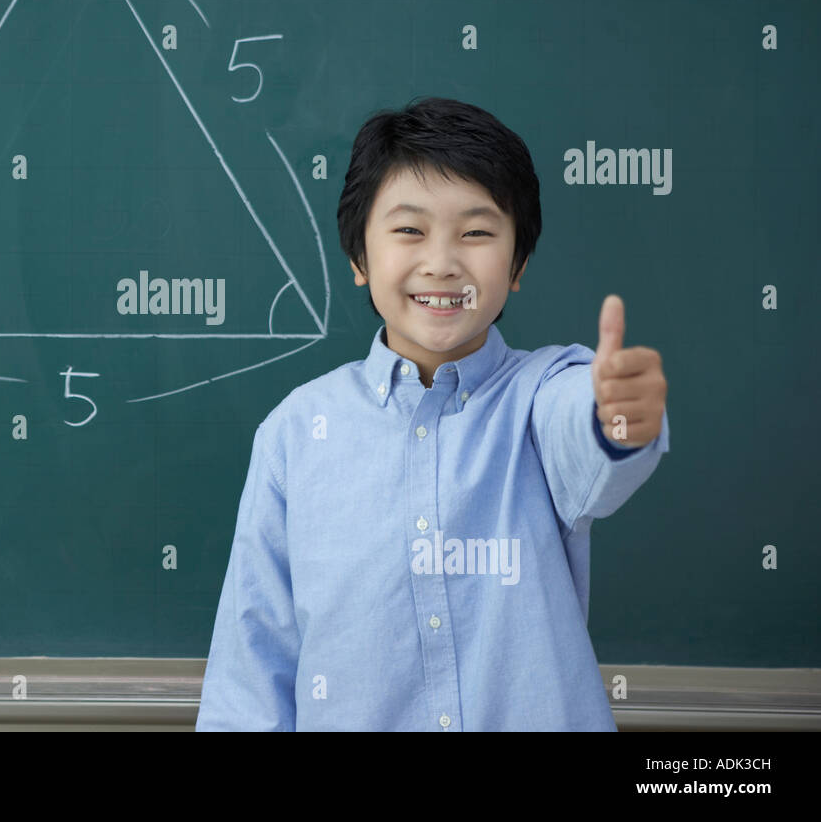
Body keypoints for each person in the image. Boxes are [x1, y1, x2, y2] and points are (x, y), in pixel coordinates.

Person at [196, 97, 670, 731]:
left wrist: (617, 420)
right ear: (359, 258)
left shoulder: (543, 393)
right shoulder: (294, 434)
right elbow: (251, 671)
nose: (442, 262)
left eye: (476, 232)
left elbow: (586, 433)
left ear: (518, 263)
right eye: (409, 230)